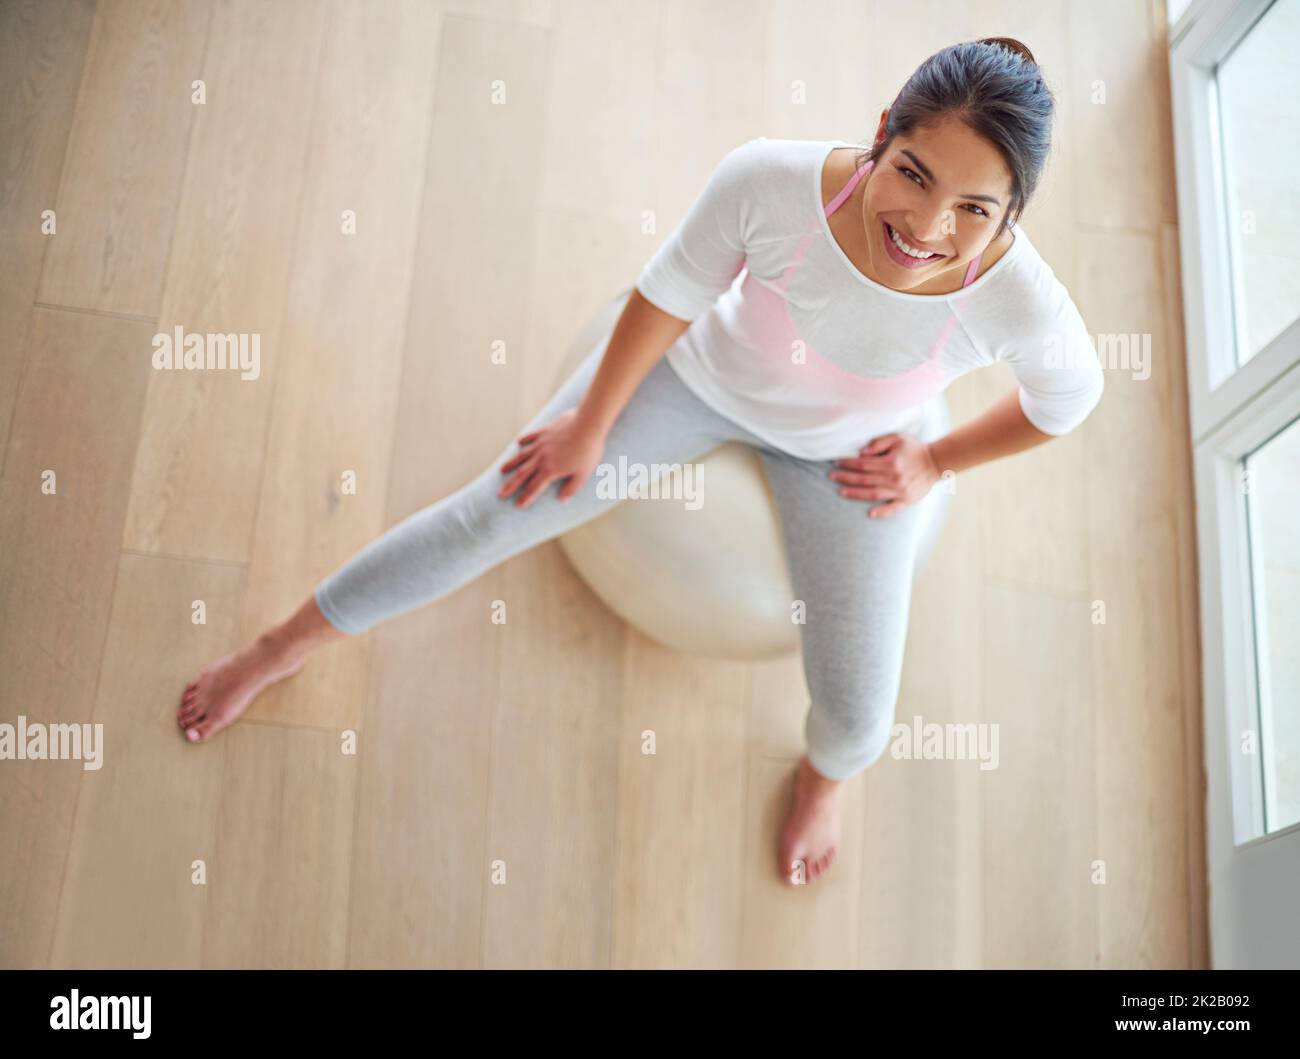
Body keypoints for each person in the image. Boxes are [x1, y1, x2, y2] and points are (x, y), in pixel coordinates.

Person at [177, 37, 1104, 887]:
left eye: (975, 209)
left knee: (861, 717)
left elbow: (1068, 402)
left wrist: (937, 458)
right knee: (489, 513)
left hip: (842, 459)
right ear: (878, 137)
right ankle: (282, 645)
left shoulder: (1020, 298)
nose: (929, 225)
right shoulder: (772, 182)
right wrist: (590, 420)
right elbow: (667, 294)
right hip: (696, 381)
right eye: (913, 172)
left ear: (1011, 217)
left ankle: (821, 785)